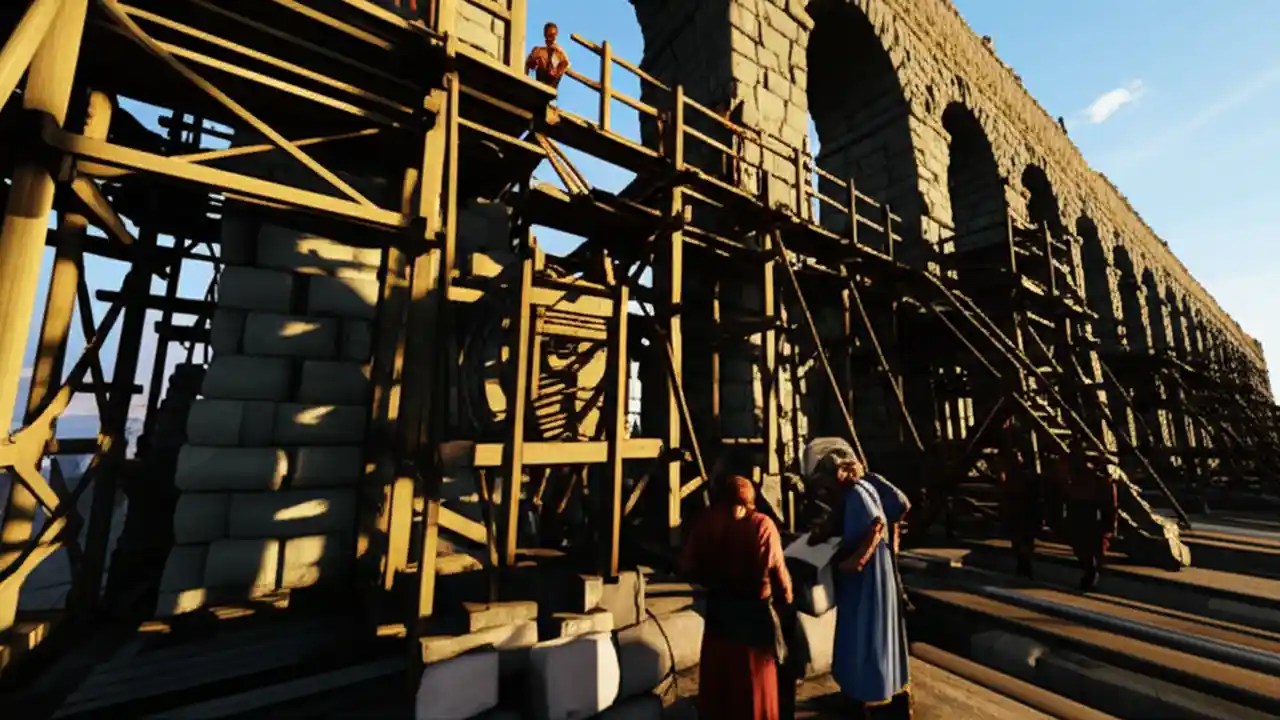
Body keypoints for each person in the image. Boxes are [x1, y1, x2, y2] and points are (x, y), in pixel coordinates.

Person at [680, 475, 793, 720]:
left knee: (719, 686)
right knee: (756, 687)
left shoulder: (707, 522)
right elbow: (779, 575)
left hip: (719, 613)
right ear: (752, 499)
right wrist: (786, 602)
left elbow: (687, 566)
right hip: (754, 617)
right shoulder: (763, 525)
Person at [829, 455, 912, 718]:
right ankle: (892, 690)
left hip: (867, 575)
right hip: (879, 567)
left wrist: (856, 561)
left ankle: (863, 694)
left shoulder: (856, 494)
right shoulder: (866, 486)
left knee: (863, 633)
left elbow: (875, 526)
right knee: (882, 632)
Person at [1052, 446, 1118, 591]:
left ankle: (1092, 571)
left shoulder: (1098, 479)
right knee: (1083, 544)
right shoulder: (1079, 476)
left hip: (1089, 509)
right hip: (1082, 508)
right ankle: (1091, 569)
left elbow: (1109, 504)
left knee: (1089, 544)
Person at [525, 22, 570, 89]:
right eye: (550, 35)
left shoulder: (560, 54)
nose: (552, 38)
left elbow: (566, 63)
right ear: (545, 36)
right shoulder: (538, 51)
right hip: (539, 86)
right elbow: (528, 64)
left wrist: (559, 50)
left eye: (554, 35)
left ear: (557, 35)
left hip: (551, 88)